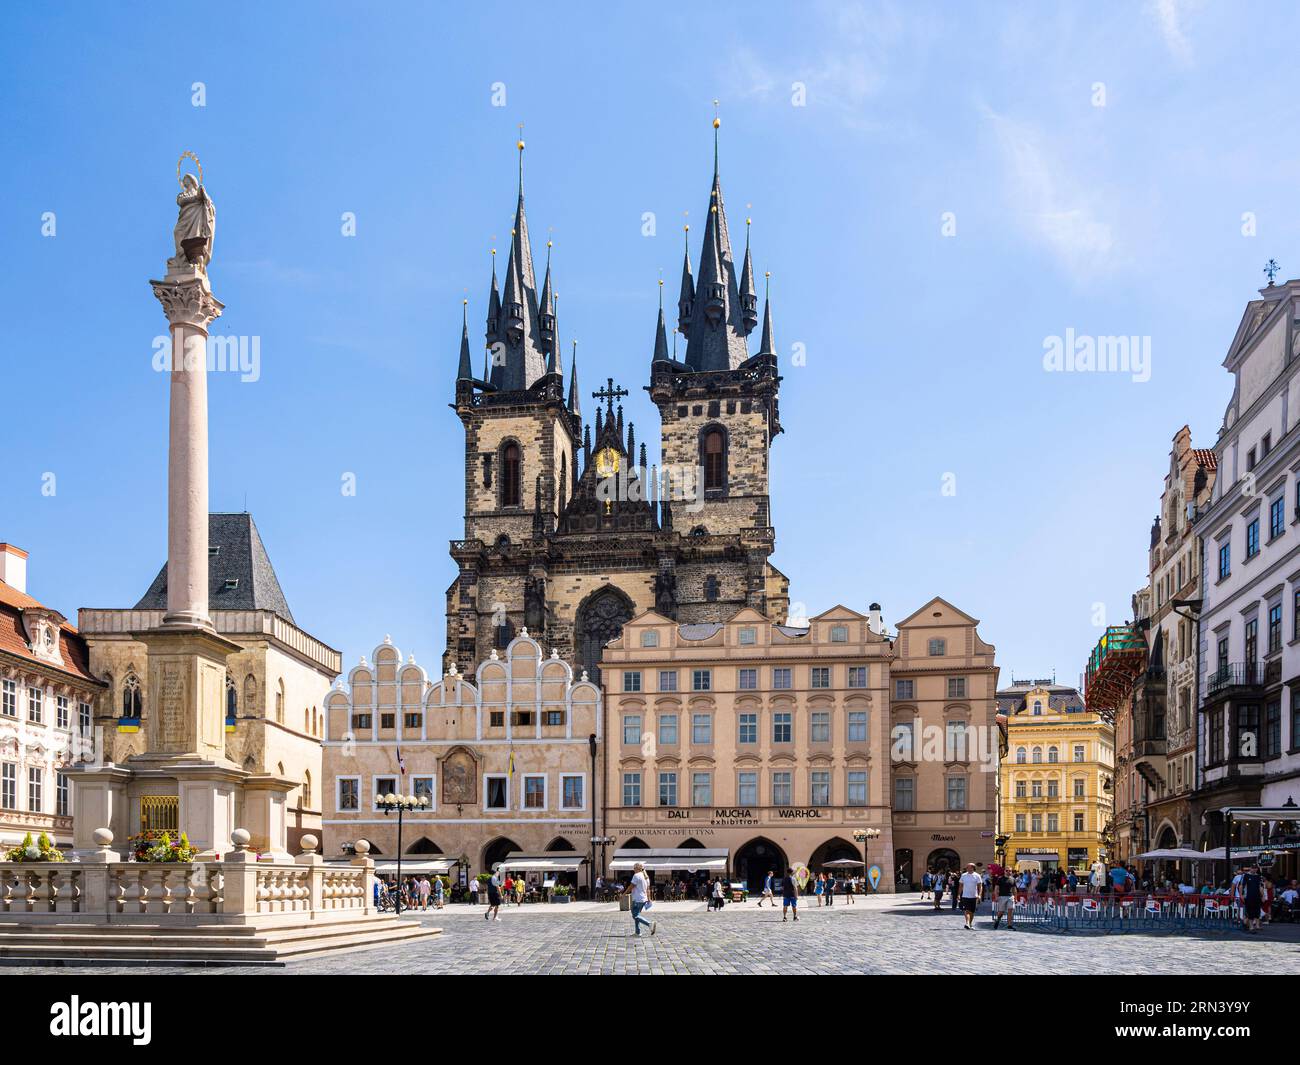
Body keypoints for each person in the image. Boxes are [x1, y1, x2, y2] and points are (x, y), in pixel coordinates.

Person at [630, 862, 656, 936]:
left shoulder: (636, 875)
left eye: (634, 868)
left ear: (637, 868)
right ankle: (637, 932)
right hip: (643, 899)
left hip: (637, 899)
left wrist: (624, 894)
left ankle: (649, 924)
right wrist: (649, 899)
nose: (633, 869)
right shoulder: (646, 877)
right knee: (637, 915)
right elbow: (648, 890)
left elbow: (631, 886)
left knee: (635, 915)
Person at [958, 862, 983, 930]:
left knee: (972, 911)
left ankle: (970, 924)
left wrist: (979, 895)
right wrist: (959, 894)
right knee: (967, 910)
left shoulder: (977, 875)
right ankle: (967, 923)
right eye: (967, 867)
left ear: (972, 868)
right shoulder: (963, 875)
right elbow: (960, 885)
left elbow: (980, 886)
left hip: (974, 896)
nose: (967, 868)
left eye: (968, 867)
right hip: (965, 896)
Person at [1241, 864, 1264, 933]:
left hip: (1257, 896)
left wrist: (1263, 896)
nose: (1254, 869)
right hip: (1249, 896)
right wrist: (1241, 895)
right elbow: (1242, 885)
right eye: (1253, 868)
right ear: (1250, 868)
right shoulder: (1246, 876)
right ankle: (1251, 926)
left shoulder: (1258, 876)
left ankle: (1257, 925)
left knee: (1257, 911)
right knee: (1250, 911)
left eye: (1255, 868)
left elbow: (1261, 886)